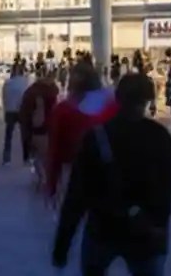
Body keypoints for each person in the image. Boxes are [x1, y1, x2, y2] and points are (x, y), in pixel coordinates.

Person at [53, 73, 171, 276]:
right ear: (148, 99)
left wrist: (62, 244)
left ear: (117, 98)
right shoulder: (160, 137)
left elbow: (77, 194)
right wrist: (158, 225)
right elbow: (167, 189)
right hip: (143, 231)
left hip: (103, 227)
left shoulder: (97, 136)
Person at [47, 63, 119, 200]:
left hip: (74, 170)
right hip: (108, 170)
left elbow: (55, 148)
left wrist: (52, 183)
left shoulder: (63, 110)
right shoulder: (113, 107)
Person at [20, 64, 60, 186]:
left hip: (36, 130)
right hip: (50, 129)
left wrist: (25, 133)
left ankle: (42, 178)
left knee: (38, 156)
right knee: (47, 157)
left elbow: (24, 114)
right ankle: (47, 179)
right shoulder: (54, 92)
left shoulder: (31, 92)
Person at [1, 62, 31, 165]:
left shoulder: (7, 83)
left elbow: (4, 98)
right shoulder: (25, 82)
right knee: (25, 134)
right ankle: (27, 157)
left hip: (10, 110)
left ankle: (6, 158)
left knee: (8, 134)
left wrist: (6, 109)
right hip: (21, 110)